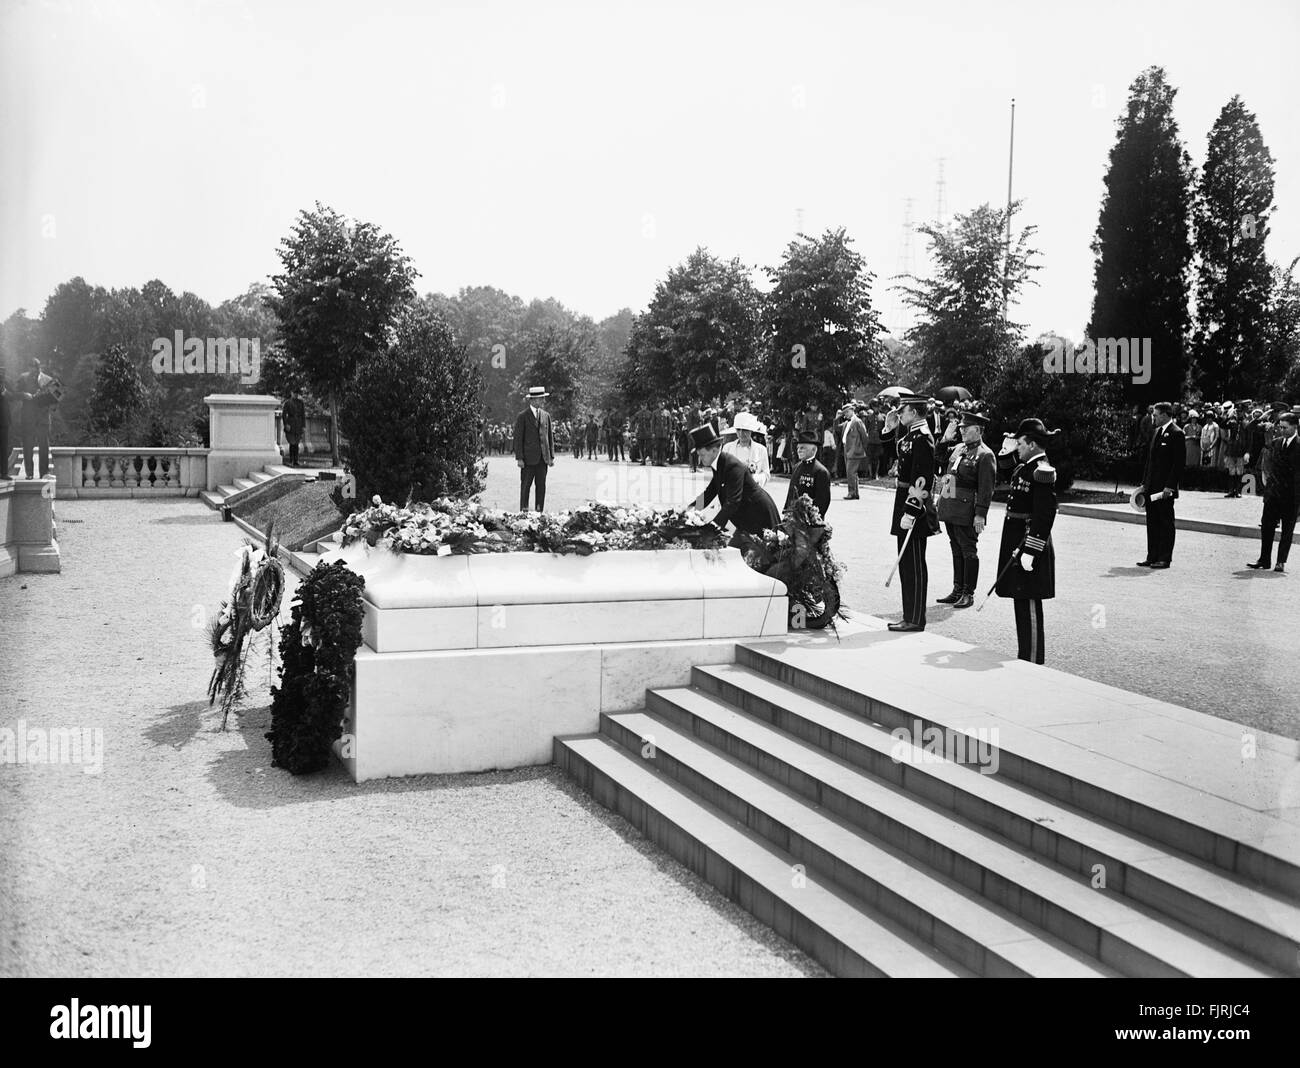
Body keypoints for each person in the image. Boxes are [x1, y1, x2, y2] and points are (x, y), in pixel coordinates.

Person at [995, 418, 1059, 664]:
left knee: (1029, 600)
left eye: (1020, 443)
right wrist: (1005, 450)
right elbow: (1007, 469)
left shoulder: (1042, 470)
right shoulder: (1027, 466)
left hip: (1029, 542)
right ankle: (1025, 653)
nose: (1017, 447)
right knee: (1020, 597)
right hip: (1017, 540)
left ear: (1032, 444)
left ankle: (1032, 658)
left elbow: (1045, 515)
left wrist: (1032, 550)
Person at [883, 394, 937, 632]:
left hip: (914, 505)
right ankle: (909, 615)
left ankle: (915, 618)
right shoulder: (910, 436)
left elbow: (922, 478)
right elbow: (894, 457)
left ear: (914, 412)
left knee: (913, 564)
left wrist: (912, 510)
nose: (900, 414)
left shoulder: (923, 438)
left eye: (902, 410)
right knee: (906, 563)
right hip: (903, 499)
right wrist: (888, 429)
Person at [935, 411, 996, 609]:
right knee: (955, 548)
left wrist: (980, 514)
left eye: (966, 429)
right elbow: (938, 456)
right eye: (960, 428)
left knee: (968, 550)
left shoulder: (985, 455)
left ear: (977, 431)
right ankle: (957, 589)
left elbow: (986, 488)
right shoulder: (960, 448)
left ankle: (968, 593)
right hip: (951, 506)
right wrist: (945, 437)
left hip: (967, 510)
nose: (962, 432)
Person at [689, 422, 780, 539]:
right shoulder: (718, 463)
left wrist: (714, 525)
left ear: (714, 450)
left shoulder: (731, 465)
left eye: (702, 455)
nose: (700, 460)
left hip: (759, 515)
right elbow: (710, 491)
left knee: (769, 553)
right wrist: (690, 509)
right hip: (745, 517)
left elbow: (733, 501)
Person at [1248, 409, 1299, 573]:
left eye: (1285, 428)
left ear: (1295, 427)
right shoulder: (1276, 443)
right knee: (1267, 527)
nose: (1281, 431)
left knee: (1287, 530)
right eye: (1280, 427)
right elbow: (1254, 430)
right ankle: (1264, 559)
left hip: (1291, 496)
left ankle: (1280, 561)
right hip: (1273, 494)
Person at [1139, 401, 1185, 569]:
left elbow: (1178, 464)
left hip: (1165, 489)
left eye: (1156, 415)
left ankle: (1165, 558)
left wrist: (1170, 486)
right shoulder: (1156, 432)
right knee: (1152, 522)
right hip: (1152, 486)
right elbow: (1150, 461)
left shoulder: (1176, 433)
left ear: (1165, 415)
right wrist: (1145, 482)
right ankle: (1152, 556)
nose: (1154, 418)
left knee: (1165, 523)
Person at [16, 357, 60, 479]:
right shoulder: (23, 378)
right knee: (27, 446)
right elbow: (15, 393)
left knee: (44, 446)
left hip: (43, 418)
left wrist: (53, 406)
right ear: (28, 368)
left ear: (39, 367)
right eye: (30, 368)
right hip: (28, 418)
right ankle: (29, 473)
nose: (33, 370)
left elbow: (57, 397)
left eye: (35, 368)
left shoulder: (48, 379)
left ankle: (44, 473)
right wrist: (23, 395)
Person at [514, 385, 555, 511]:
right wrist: (519, 458)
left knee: (541, 486)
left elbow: (549, 438)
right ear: (533, 400)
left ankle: (539, 511)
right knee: (526, 486)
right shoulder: (522, 416)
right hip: (528, 460)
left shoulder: (546, 415)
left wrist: (551, 456)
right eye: (541, 399)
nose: (543, 401)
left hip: (543, 459)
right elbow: (518, 439)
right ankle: (524, 511)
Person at [784, 429, 831, 519]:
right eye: (798, 448)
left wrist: (812, 518)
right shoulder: (796, 467)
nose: (798, 450)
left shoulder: (821, 472)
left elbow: (823, 501)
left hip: (810, 520)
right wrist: (787, 511)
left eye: (802, 448)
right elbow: (791, 492)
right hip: (793, 518)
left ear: (813, 450)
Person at [723, 413, 770, 488]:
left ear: (751, 430)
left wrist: (754, 478)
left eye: (745, 430)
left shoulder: (761, 450)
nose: (741, 433)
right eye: (738, 430)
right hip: (732, 492)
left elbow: (766, 474)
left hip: (753, 492)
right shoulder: (727, 448)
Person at [842, 405, 869, 499]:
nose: (846, 414)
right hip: (847, 449)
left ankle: (851, 492)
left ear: (852, 411)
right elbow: (837, 428)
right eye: (844, 413)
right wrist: (836, 419)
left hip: (855, 450)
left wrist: (861, 448)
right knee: (851, 473)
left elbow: (864, 436)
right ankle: (855, 493)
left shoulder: (857, 421)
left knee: (850, 472)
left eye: (847, 412)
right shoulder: (846, 423)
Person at [282, 389, 306, 466]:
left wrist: (303, 425)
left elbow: (303, 415)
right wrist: (286, 424)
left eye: (297, 393)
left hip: (298, 424)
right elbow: (284, 414)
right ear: (291, 393)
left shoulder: (301, 402)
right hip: (291, 423)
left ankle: (296, 460)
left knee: (297, 443)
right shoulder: (287, 402)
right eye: (294, 393)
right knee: (292, 442)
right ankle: (291, 460)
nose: (296, 394)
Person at [0, 369, 11, 480]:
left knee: (4, 447)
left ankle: (4, 473)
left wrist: (5, 393)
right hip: (4, 419)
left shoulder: (6, 382)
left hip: (4, 420)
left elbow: (13, 396)